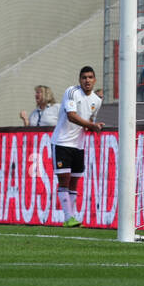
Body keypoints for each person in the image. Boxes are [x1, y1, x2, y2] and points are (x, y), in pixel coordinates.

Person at [52, 66, 103, 228]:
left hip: (78, 145)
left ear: (94, 80)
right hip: (62, 142)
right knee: (64, 179)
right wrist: (91, 125)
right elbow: (71, 116)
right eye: (84, 78)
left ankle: (72, 217)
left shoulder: (97, 100)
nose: (87, 80)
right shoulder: (72, 92)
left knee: (74, 181)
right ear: (79, 80)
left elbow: (89, 122)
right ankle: (68, 217)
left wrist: (94, 126)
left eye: (90, 77)